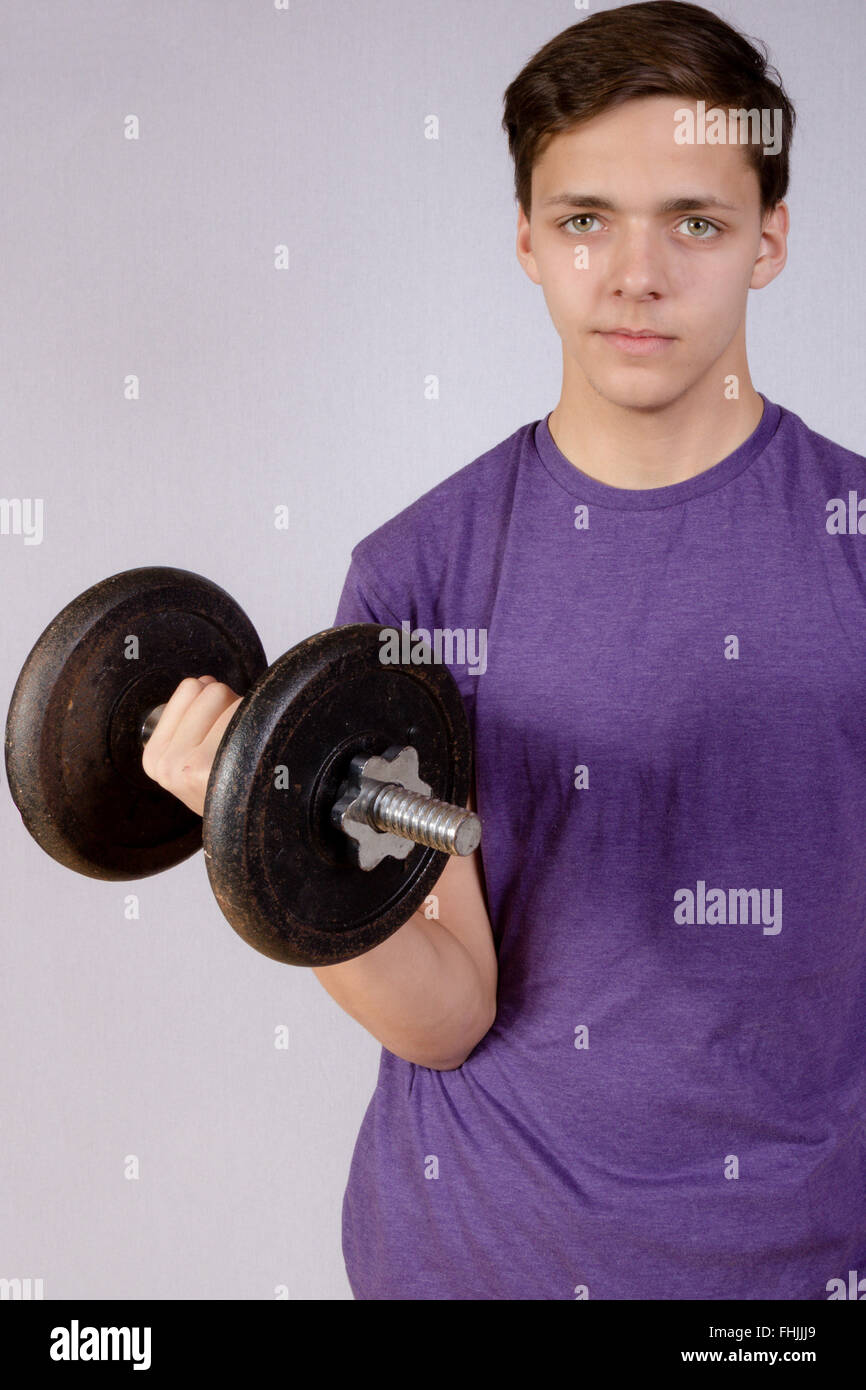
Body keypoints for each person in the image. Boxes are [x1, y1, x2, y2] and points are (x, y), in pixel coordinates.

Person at [142, 1, 866, 1300]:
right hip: (480, 1258)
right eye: (583, 219)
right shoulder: (417, 573)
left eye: (692, 221)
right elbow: (446, 1008)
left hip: (792, 1271)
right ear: (526, 240)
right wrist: (255, 818)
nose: (632, 272)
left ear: (769, 240)